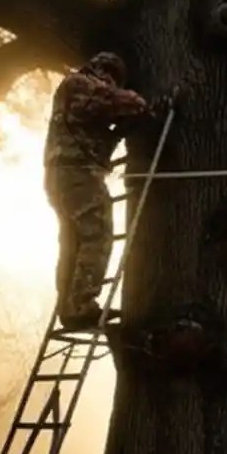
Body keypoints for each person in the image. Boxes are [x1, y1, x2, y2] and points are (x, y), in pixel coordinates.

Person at [43, 51, 164, 331]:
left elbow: (105, 134)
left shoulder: (82, 105)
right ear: (99, 70)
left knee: (73, 243)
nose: (110, 82)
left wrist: (131, 124)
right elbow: (111, 100)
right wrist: (140, 104)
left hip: (65, 175)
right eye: (109, 76)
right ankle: (82, 306)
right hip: (76, 174)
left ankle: (69, 307)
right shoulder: (80, 84)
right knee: (97, 236)